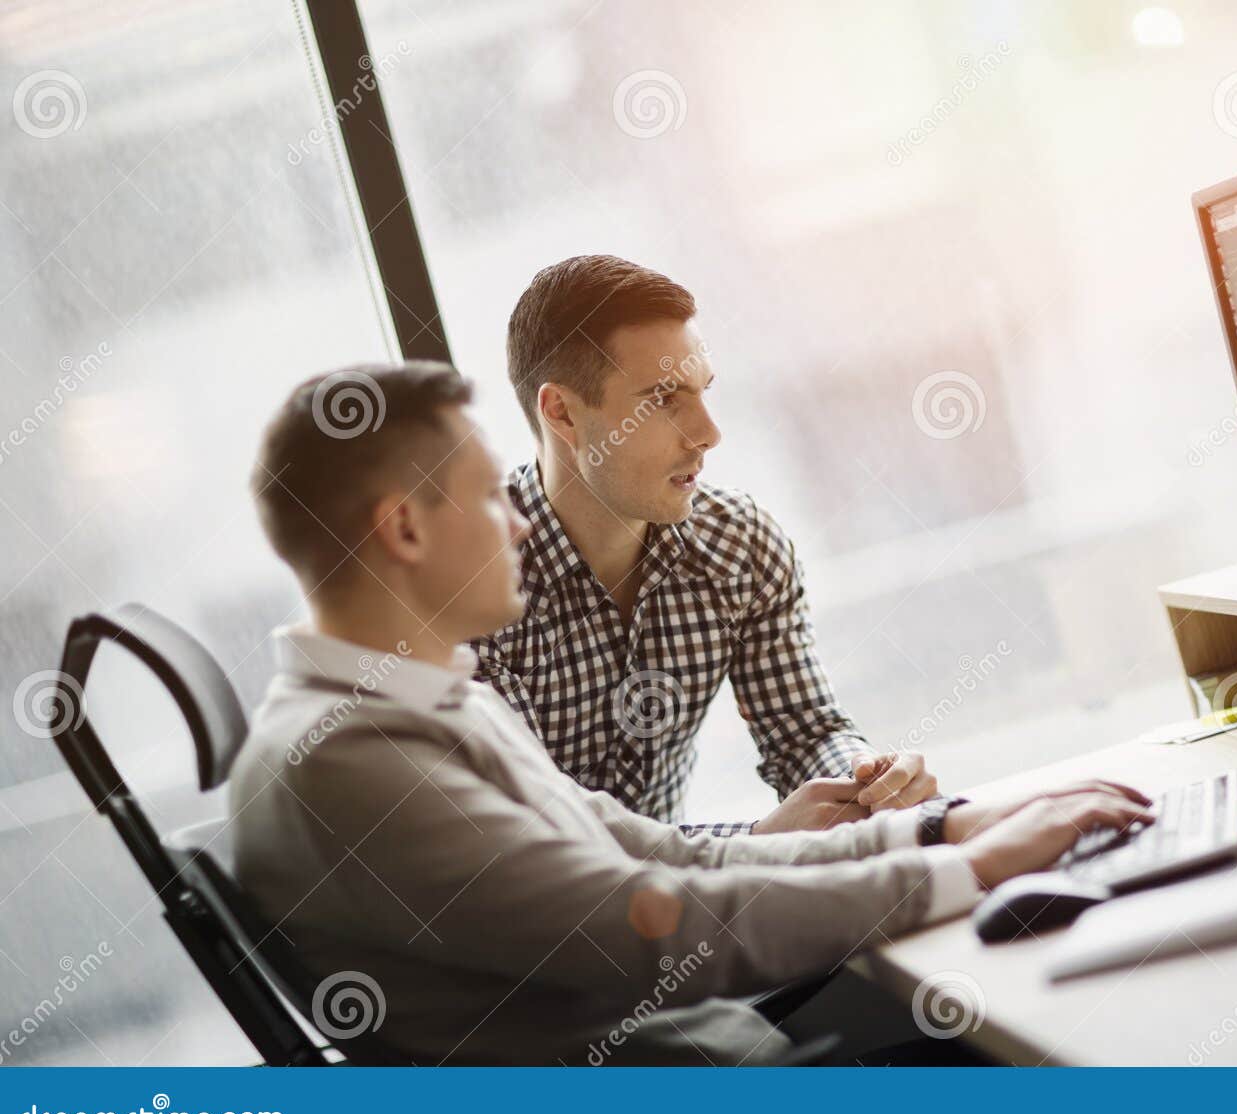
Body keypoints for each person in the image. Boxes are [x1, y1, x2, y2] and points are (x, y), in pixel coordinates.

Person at [230, 360, 1153, 1065]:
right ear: (404, 528)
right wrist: (980, 868)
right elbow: (648, 923)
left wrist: (943, 829)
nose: (515, 523)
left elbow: (668, 853)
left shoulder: (428, 704)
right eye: (483, 495)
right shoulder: (346, 762)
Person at [474, 254, 935, 835]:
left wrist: (867, 782)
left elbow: (804, 735)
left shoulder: (739, 546)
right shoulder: (466, 585)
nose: (709, 434)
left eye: (702, 392)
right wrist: (757, 844)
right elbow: (540, 845)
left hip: (690, 908)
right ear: (562, 412)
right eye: (663, 399)